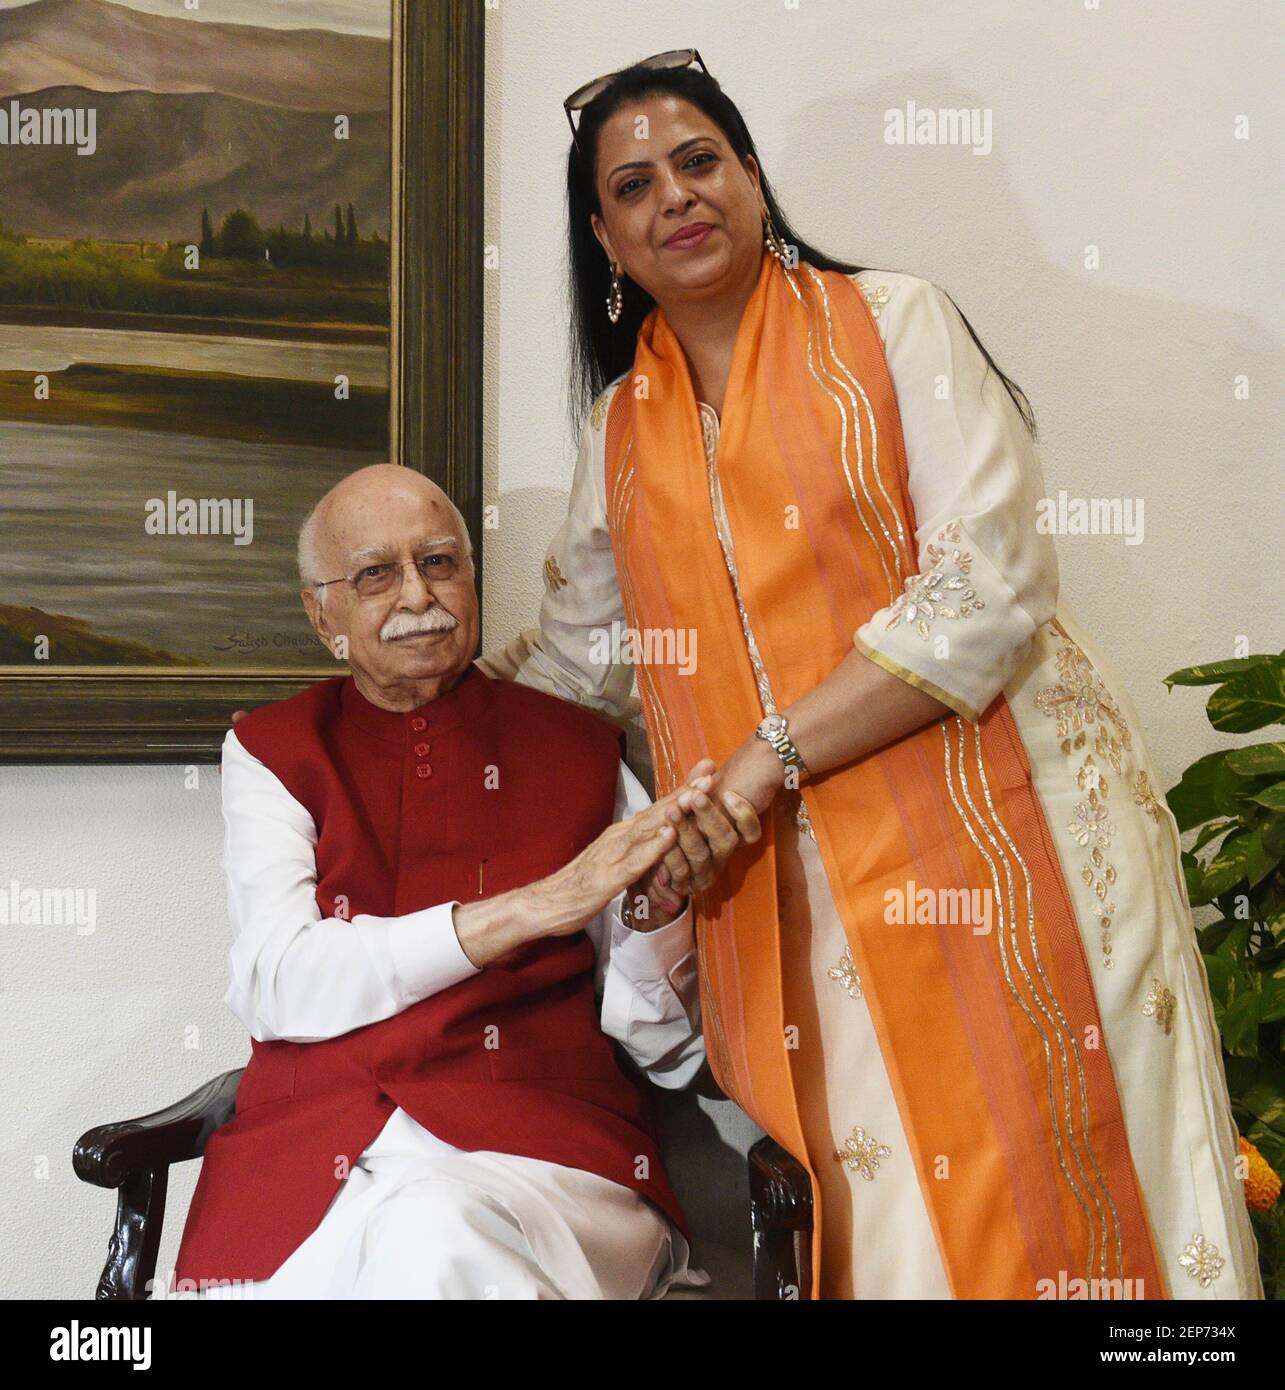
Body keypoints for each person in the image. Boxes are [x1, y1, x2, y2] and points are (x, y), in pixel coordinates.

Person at [476, 51, 1263, 1299]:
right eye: (635, 185)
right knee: (897, 1219)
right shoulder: (618, 432)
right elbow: (586, 662)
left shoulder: (894, 323)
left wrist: (759, 760)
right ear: (605, 238)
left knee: (1054, 1172)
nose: (676, 196)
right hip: (800, 895)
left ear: (748, 176)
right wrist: (416, 686)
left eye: (699, 161)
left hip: (1013, 842)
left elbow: (989, 586)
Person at [171, 463, 760, 1300]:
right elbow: (280, 982)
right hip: (310, 1160)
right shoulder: (272, 750)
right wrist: (523, 911)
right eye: (376, 573)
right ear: (321, 613)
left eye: (440, 562)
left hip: (538, 1161)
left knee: (433, 1244)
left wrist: (652, 910)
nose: (418, 595)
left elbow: (664, 1050)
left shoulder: (578, 750)